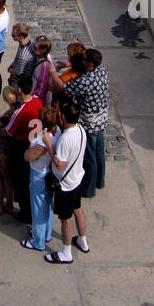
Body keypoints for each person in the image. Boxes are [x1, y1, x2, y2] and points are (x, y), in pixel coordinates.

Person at [42, 99, 89, 264]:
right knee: (78, 210)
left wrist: (49, 145)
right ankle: (82, 240)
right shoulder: (81, 130)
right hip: (77, 178)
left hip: (65, 185)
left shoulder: (65, 139)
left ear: (63, 117)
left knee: (65, 219)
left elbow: (59, 163)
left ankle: (66, 252)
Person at [58, 49, 110, 198]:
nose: (82, 60)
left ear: (90, 65)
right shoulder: (102, 69)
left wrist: (53, 73)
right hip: (101, 118)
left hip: (89, 123)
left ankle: (89, 189)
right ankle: (100, 181)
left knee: (89, 157)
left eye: (84, 59)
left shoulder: (86, 81)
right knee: (99, 152)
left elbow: (63, 88)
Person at [3, 74, 42, 223]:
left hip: (21, 147)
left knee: (21, 181)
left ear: (19, 90)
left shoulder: (19, 112)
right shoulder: (38, 101)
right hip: (35, 142)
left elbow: (10, 132)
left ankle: (25, 213)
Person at [21, 104, 60, 251]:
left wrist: (27, 152)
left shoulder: (41, 140)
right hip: (50, 173)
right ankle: (46, 233)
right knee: (48, 205)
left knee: (38, 209)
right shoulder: (57, 132)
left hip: (39, 174)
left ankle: (38, 240)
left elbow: (29, 157)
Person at [0, 85, 20, 214]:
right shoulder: (20, 110)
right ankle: (9, 204)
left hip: (2, 149)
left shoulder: (8, 114)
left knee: (1, 177)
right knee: (8, 178)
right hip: (13, 148)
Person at [29, 35, 58, 105]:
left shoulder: (44, 66)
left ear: (42, 51)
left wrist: (32, 98)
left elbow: (42, 87)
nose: (33, 49)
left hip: (40, 102)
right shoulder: (38, 58)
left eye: (35, 48)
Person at [6, 22, 35, 88]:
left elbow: (19, 74)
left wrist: (10, 70)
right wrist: (13, 64)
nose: (11, 35)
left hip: (18, 83)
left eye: (13, 35)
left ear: (21, 37)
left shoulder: (23, 56)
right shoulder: (27, 42)